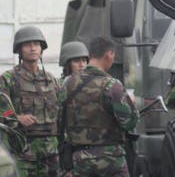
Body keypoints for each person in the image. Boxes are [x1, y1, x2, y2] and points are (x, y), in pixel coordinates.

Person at [58, 37, 138, 176]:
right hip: (111, 160)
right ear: (109, 54)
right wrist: (131, 104)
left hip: (80, 160)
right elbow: (130, 123)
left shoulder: (67, 83)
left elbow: (59, 119)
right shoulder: (113, 85)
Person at [0, 26, 59, 176]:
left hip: (51, 153)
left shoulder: (51, 80)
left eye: (36, 44)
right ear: (19, 50)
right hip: (23, 153)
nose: (33, 48)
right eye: (27, 45)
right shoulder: (8, 79)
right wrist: (16, 118)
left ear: (41, 49)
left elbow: (63, 113)